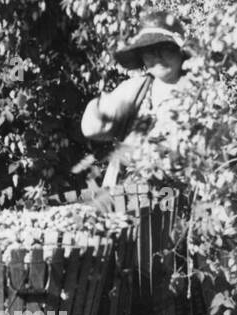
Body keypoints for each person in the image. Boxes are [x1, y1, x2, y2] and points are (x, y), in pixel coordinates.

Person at [81, 10, 194, 186]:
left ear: (181, 52)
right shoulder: (135, 90)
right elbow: (92, 128)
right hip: (126, 197)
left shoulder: (201, 94)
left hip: (178, 199)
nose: (157, 58)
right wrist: (100, 113)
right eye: (149, 51)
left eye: (165, 49)